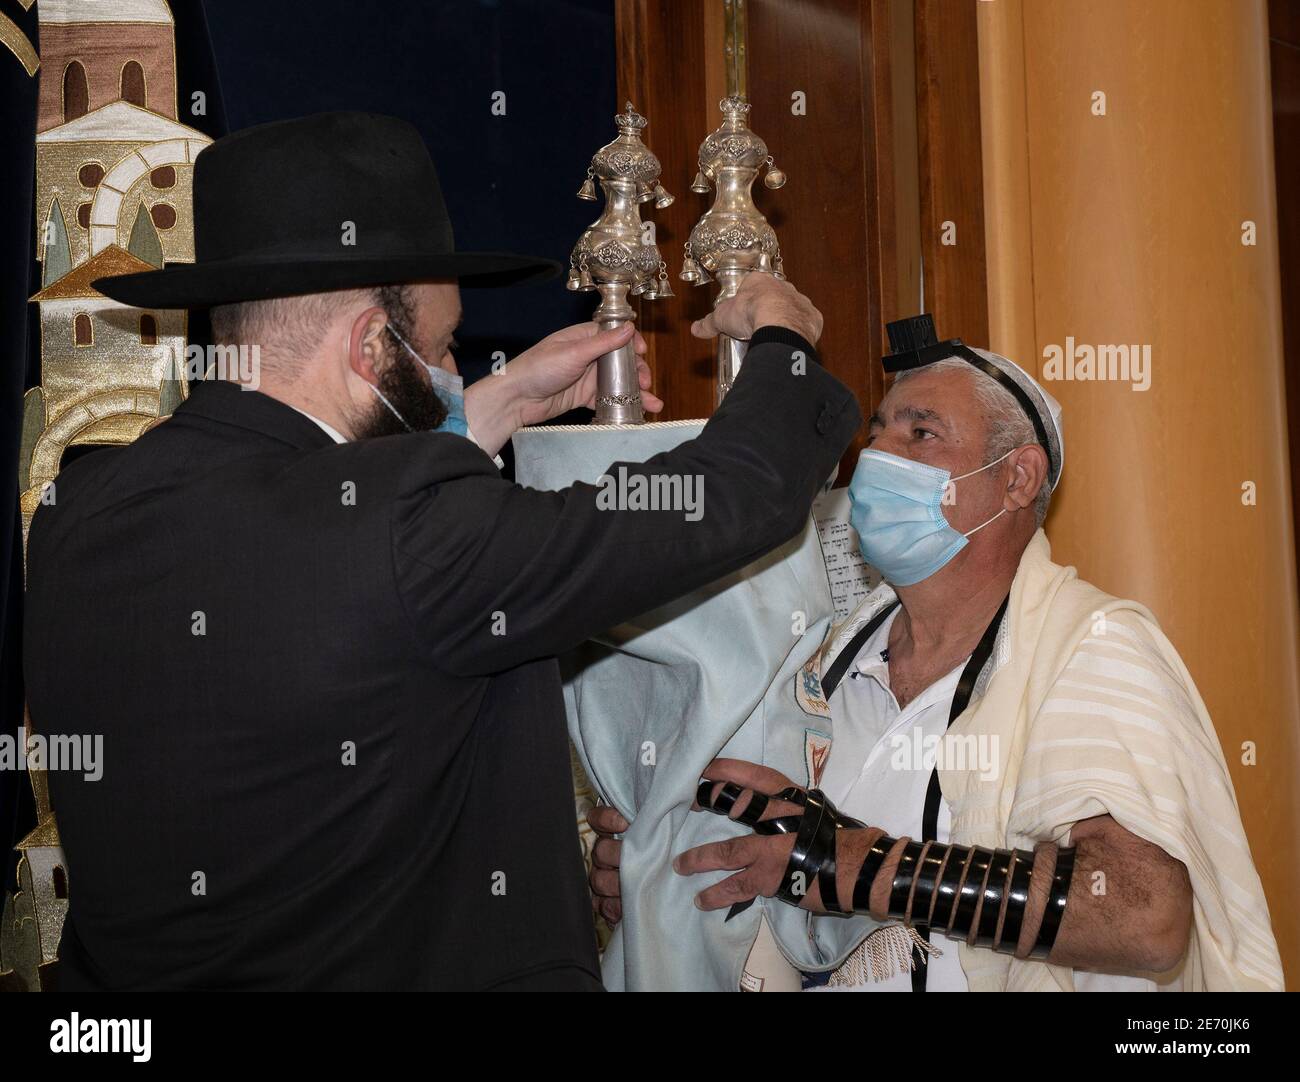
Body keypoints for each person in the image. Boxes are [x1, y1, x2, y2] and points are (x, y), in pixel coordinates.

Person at [22, 110, 860, 991]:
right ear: (370, 346)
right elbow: (732, 494)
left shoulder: (82, 510)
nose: (454, 369)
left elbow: (319, 531)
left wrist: (483, 408)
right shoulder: (409, 534)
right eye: (441, 347)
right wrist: (786, 343)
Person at [590, 318, 1283, 991]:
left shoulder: (1091, 645)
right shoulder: (818, 661)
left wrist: (852, 863)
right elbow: (782, 872)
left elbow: (1141, 915)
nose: (882, 457)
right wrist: (671, 874)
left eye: (921, 433)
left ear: (1016, 479)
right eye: (879, 432)